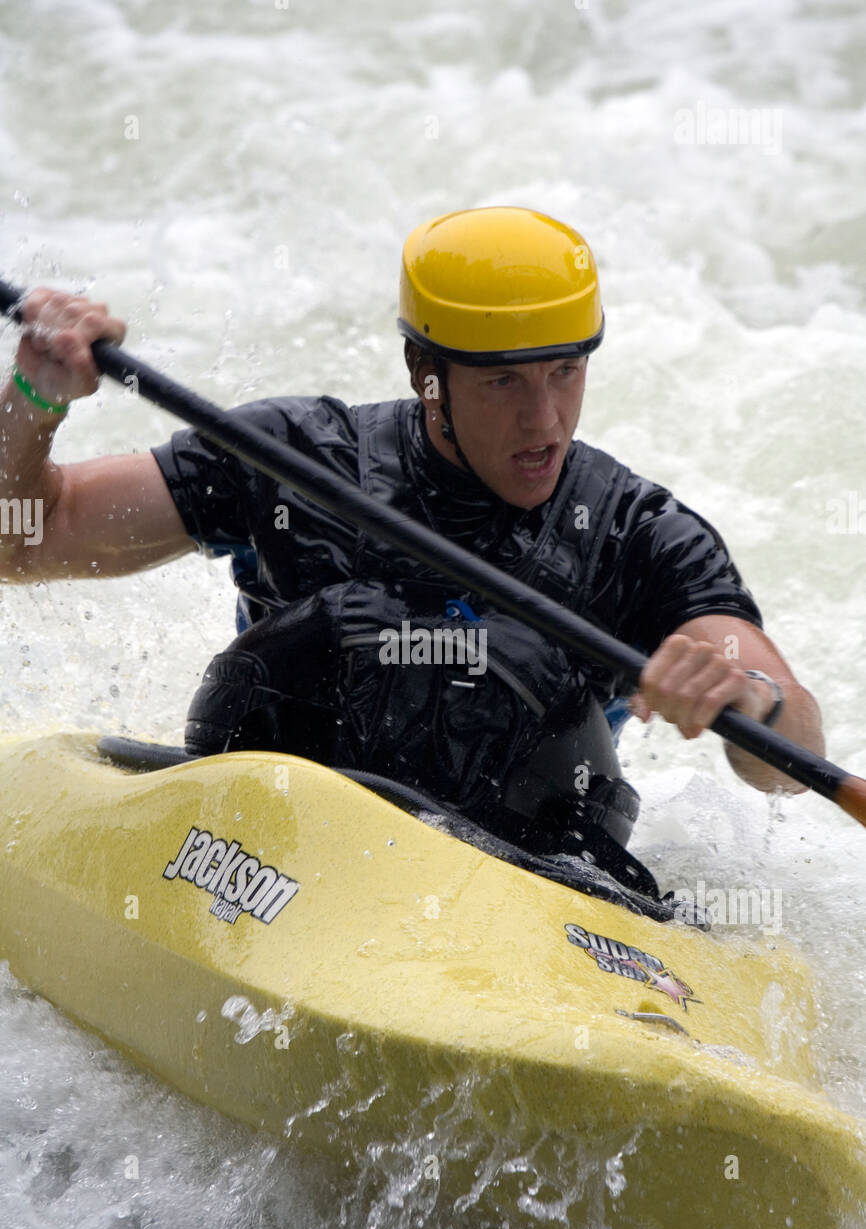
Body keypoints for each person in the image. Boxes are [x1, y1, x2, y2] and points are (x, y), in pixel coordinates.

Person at [0, 206, 824, 896]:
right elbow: (26, 540)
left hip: (524, 879)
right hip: (268, 853)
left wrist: (747, 699)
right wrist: (35, 395)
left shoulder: (633, 531)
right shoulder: (296, 457)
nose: (544, 420)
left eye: (565, 372)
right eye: (503, 381)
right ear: (424, 372)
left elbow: (795, 754)